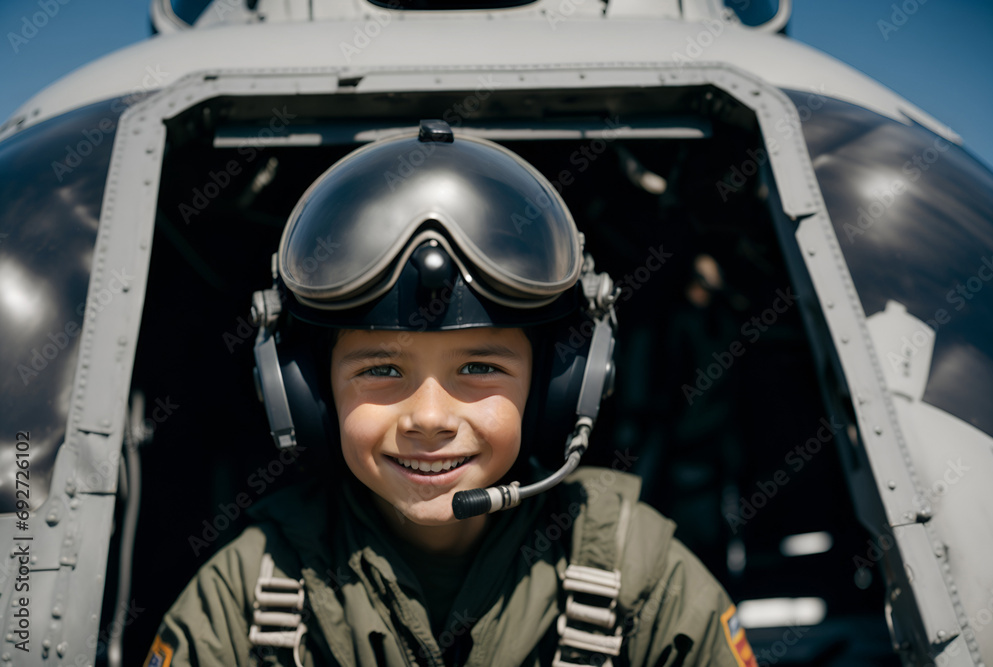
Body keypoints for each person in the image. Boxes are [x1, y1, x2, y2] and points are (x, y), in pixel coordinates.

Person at [144, 121, 757, 667]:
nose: (430, 418)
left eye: (480, 368)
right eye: (382, 371)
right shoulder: (242, 595)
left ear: (561, 386)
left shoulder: (644, 579)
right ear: (303, 394)